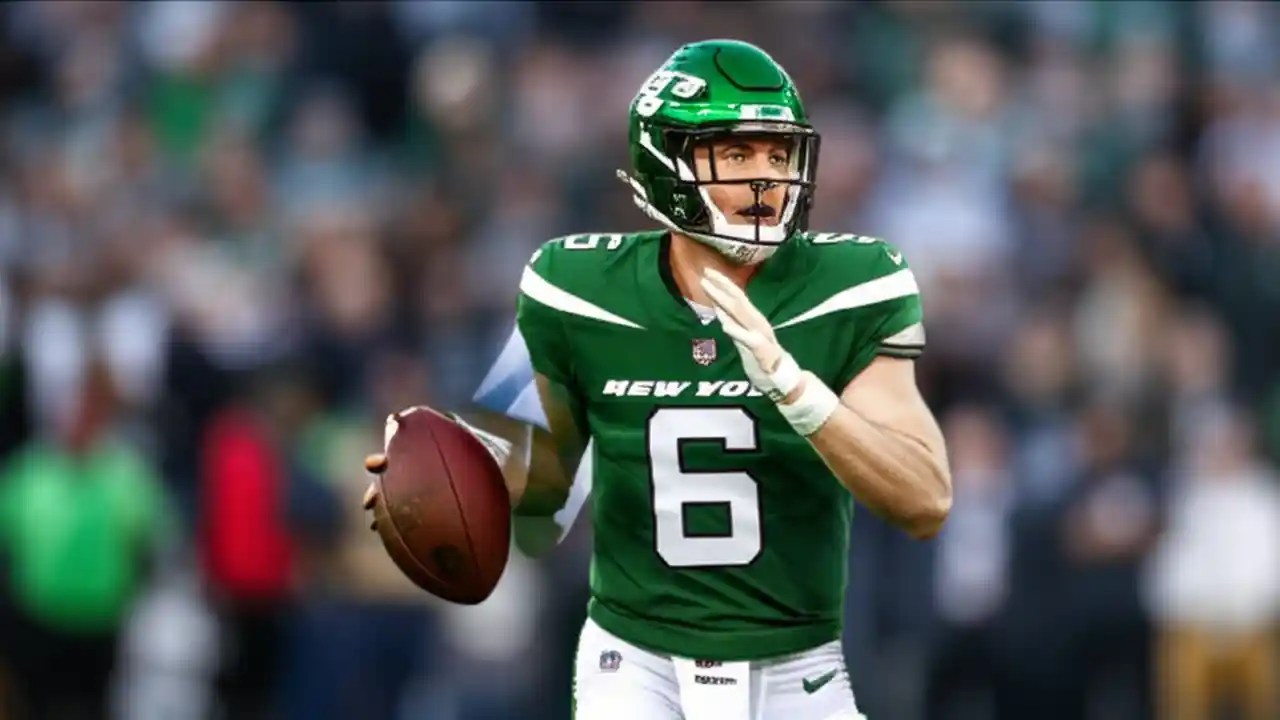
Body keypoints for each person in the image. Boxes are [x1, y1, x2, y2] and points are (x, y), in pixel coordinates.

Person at [363, 39, 952, 720]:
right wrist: (438, 477)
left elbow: (925, 498)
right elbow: (541, 499)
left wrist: (796, 390)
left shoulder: (851, 286)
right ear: (665, 159)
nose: (766, 179)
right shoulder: (574, 288)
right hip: (636, 662)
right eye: (736, 154)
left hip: (797, 664)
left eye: (777, 153)